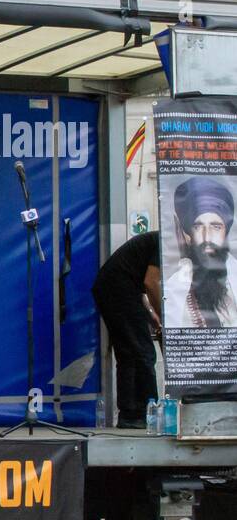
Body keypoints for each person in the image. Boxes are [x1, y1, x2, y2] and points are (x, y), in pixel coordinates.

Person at [92, 231, 162, 429]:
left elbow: (135, 279)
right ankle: (137, 414)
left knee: (132, 352)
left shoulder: (152, 243)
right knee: (140, 352)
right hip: (116, 290)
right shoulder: (164, 241)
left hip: (117, 288)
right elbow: (151, 282)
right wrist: (164, 315)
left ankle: (133, 414)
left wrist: (152, 315)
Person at [165, 177, 237, 329]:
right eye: (198, 226)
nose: (207, 237)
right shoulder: (176, 286)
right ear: (189, 233)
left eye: (216, 227)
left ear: (226, 231)